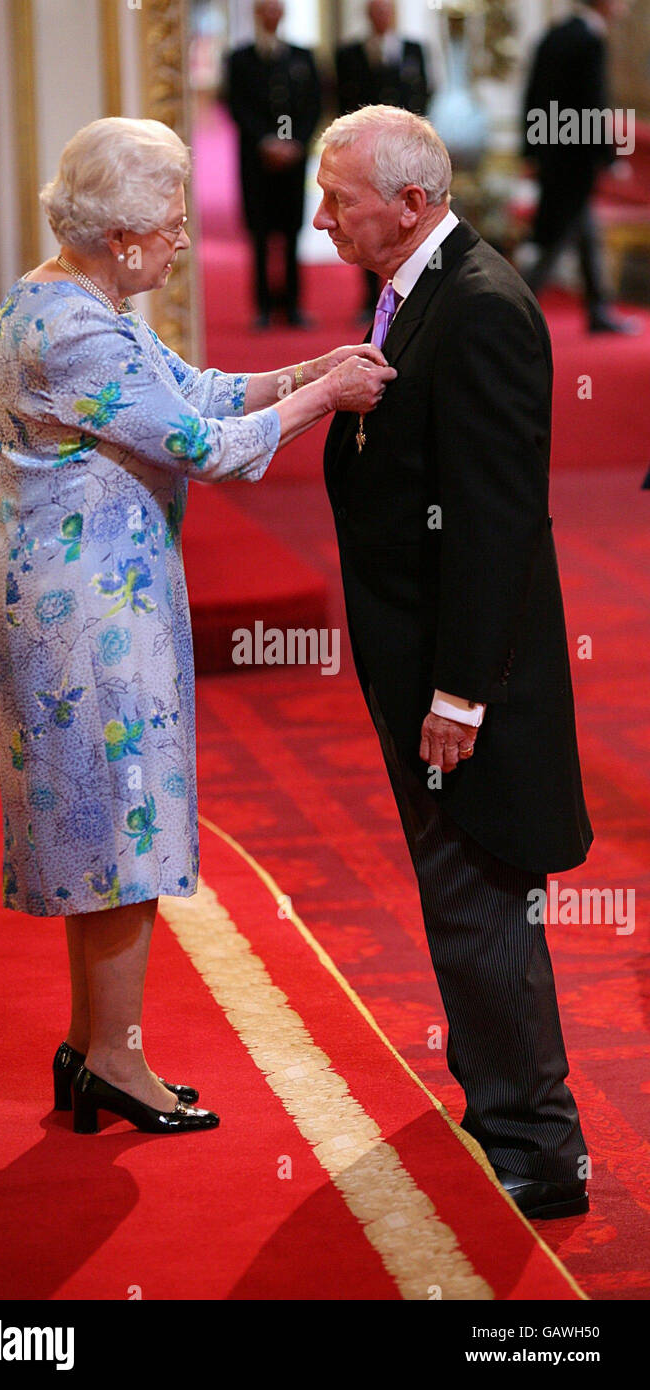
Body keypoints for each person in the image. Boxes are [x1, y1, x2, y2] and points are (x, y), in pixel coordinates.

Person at [0, 115, 395, 1139]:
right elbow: (201, 443)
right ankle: (116, 1057)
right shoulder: (71, 327)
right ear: (120, 238)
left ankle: (92, 1048)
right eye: (169, 228)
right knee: (119, 823)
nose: (178, 242)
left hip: (96, 595)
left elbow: (194, 392)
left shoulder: (80, 296)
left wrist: (300, 375)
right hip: (88, 615)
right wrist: (329, 398)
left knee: (100, 823)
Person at [314, 104, 594, 1220]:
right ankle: (497, 1107)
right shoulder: (413, 287)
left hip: (468, 687)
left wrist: (460, 695)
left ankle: (540, 1148)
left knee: (485, 899)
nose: (322, 215)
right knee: (458, 898)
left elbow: (494, 523)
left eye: (338, 198)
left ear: (411, 204)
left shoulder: (478, 310)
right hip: (419, 666)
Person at [522, 0, 641, 334]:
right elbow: (593, 105)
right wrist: (609, 157)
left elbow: (533, 98)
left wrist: (531, 151)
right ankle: (511, 307)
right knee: (552, 241)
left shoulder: (554, 34)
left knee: (580, 234)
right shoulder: (589, 40)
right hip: (574, 161)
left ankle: (598, 309)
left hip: (552, 155)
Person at [226, 0, 321, 328]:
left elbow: (313, 104)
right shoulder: (240, 59)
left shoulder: (301, 57)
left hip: (293, 160)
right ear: (256, 14)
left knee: (292, 231)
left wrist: (295, 143)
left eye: (275, 8)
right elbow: (236, 105)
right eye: (264, 8)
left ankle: (293, 305)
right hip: (257, 160)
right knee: (261, 232)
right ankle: (263, 307)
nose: (271, 15)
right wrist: (267, 141)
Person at [335, 0, 431, 319]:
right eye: (376, 11)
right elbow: (342, 101)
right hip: (367, 154)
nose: (381, 17)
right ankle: (369, 298)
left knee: (405, 219)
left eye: (386, 11)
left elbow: (425, 94)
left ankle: (407, 290)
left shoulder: (414, 50)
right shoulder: (349, 54)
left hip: (405, 154)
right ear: (368, 16)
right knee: (367, 220)